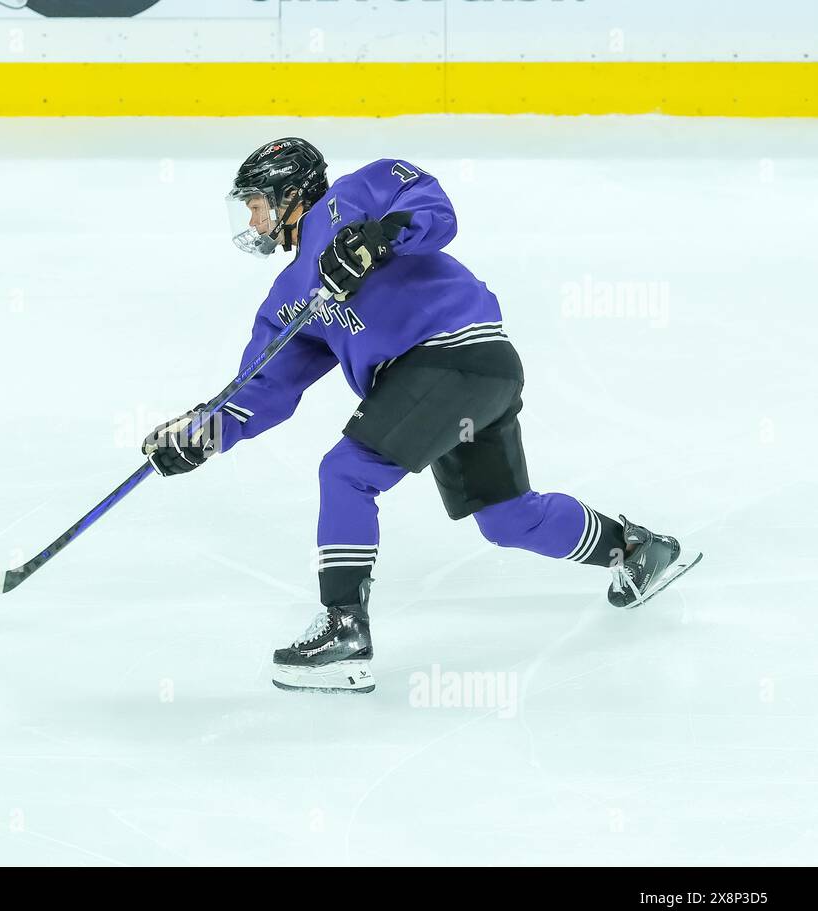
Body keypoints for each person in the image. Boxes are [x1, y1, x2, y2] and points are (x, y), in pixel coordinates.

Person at [141, 137, 701, 694]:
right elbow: (263, 386)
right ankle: (637, 550)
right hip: (465, 381)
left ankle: (344, 630)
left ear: (292, 194)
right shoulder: (288, 298)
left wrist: (380, 236)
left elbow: (433, 208)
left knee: (346, 472)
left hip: (454, 354)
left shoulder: (354, 194)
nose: (253, 221)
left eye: (258, 204)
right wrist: (204, 431)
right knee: (508, 518)